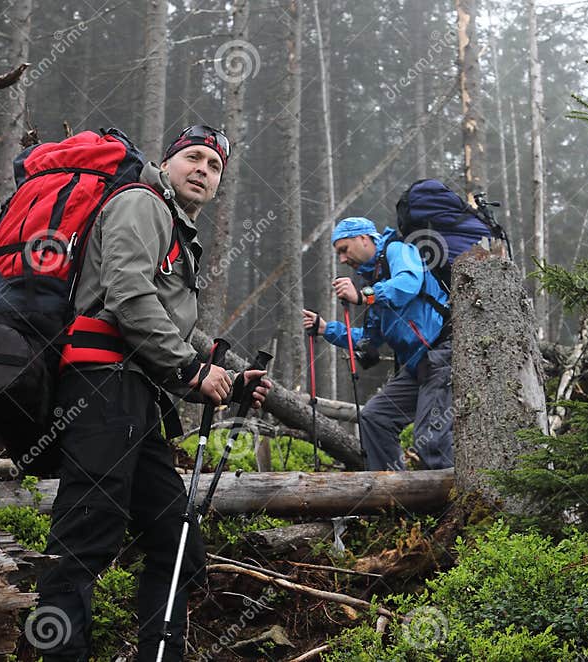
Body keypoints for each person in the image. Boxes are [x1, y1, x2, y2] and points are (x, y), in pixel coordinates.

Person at [34, 124, 271, 662]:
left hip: (137, 398)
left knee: (176, 539)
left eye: (213, 168)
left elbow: (165, 328)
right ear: (167, 164)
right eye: (193, 158)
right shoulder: (141, 203)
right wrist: (192, 371)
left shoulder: (176, 228)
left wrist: (228, 384)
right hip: (100, 390)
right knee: (86, 534)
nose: (203, 171)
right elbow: (129, 298)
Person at [302, 216, 453, 471]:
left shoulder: (397, 250)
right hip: (418, 367)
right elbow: (369, 340)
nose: (342, 259)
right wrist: (328, 329)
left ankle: (452, 505)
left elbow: (409, 283)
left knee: (430, 440)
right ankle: (393, 497)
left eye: (344, 249)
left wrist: (364, 296)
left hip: (443, 354)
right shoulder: (373, 281)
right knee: (375, 417)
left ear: (364, 238)